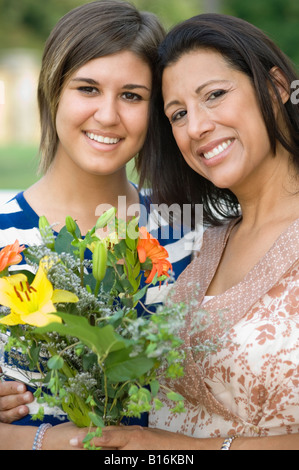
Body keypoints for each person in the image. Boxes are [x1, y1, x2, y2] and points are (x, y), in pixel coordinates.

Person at [71, 13, 299, 450]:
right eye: (178, 114)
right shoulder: (203, 241)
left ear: (275, 87)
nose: (196, 127)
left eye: (214, 95)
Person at [0, 0, 196, 449]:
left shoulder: (191, 233)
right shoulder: (4, 236)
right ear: (53, 91)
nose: (108, 115)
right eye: (87, 88)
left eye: (132, 95)